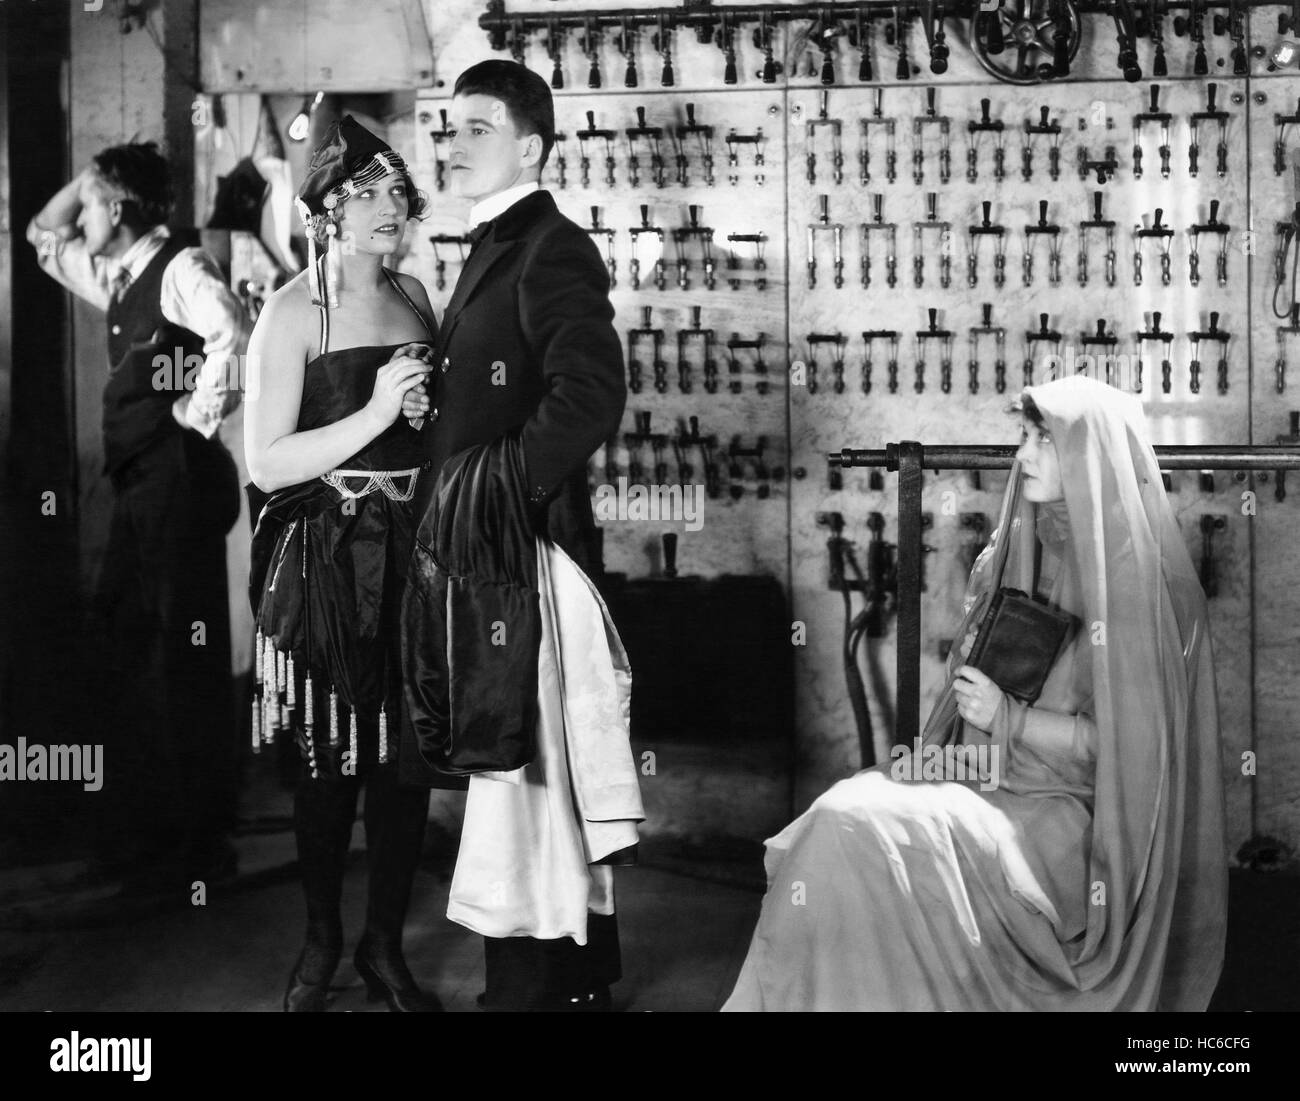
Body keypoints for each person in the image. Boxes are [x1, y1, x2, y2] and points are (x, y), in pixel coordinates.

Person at [724, 375, 1228, 1011]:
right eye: (1023, 437)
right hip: (984, 774)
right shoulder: (1015, 552)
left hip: (1071, 811)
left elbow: (1137, 756)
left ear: (1090, 454)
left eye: (1043, 441)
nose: (1022, 456)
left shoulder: (1143, 587)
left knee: (871, 827)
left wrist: (1009, 716)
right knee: (841, 814)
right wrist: (970, 668)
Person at [399, 59, 640, 1012]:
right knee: (539, 772)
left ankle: (533, 992)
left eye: (475, 129)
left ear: (531, 146)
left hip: (527, 554)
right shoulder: (497, 241)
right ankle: (578, 982)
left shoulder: (550, 246)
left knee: (530, 777)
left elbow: (592, 392)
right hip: (501, 553)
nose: (450, 145)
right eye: (446, 129)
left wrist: (499, 486)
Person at [244, 116, 439, 1012]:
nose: (389, 206)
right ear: (326, 207)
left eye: (397, 189)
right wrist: (372, 414)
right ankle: (320, 940)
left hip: (408, 558)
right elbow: (266, 460)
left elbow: (427, 439)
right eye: (367, 192)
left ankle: (382, 948)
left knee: (403, 769)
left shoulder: (415, 297)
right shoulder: (288, 312)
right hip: (323, 556)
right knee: (329, 768)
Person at [26, 141, 246, 891]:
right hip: (138, 484)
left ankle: (198, 843)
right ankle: (146, 832)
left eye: (92, 201)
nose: (80, 213)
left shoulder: (180, 269)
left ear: (117, 211)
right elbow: (41, 235)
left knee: (181, 656)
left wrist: (192, 417)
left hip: (177, 479)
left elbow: (233, 337)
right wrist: (87, 176)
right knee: (126, 644)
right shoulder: (119, 274)